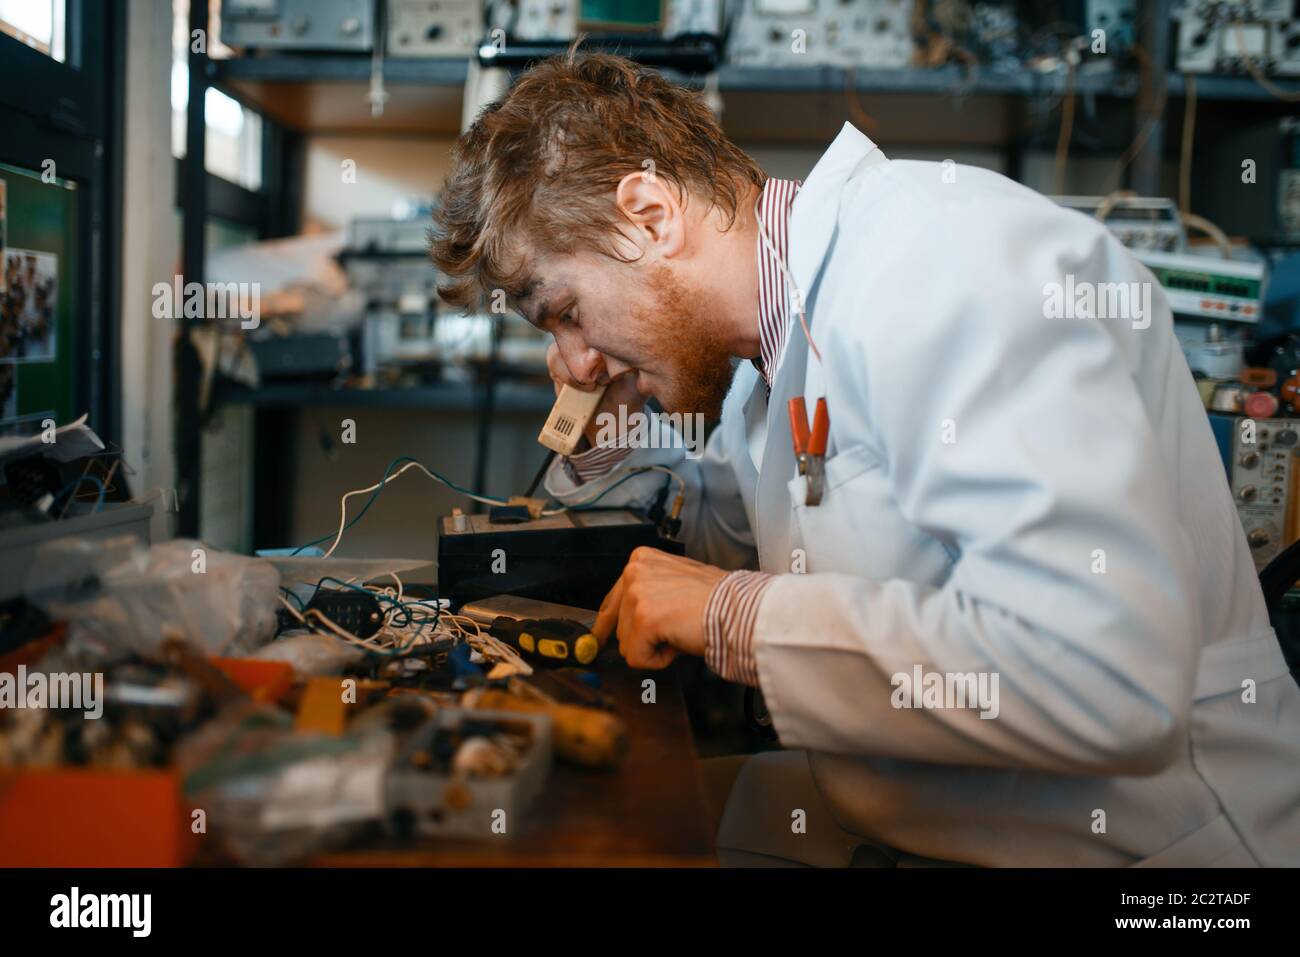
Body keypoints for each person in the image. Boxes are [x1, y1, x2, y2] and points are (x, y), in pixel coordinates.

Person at [430, 49, 1300, 866]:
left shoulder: (945, 264)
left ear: (650, 218)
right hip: (931, 807)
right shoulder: (765, 355)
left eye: (564, 311)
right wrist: (603, 429)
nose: (570, 362)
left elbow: (1104, 677)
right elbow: (719, 547)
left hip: (1172, 849)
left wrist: (740, 616)